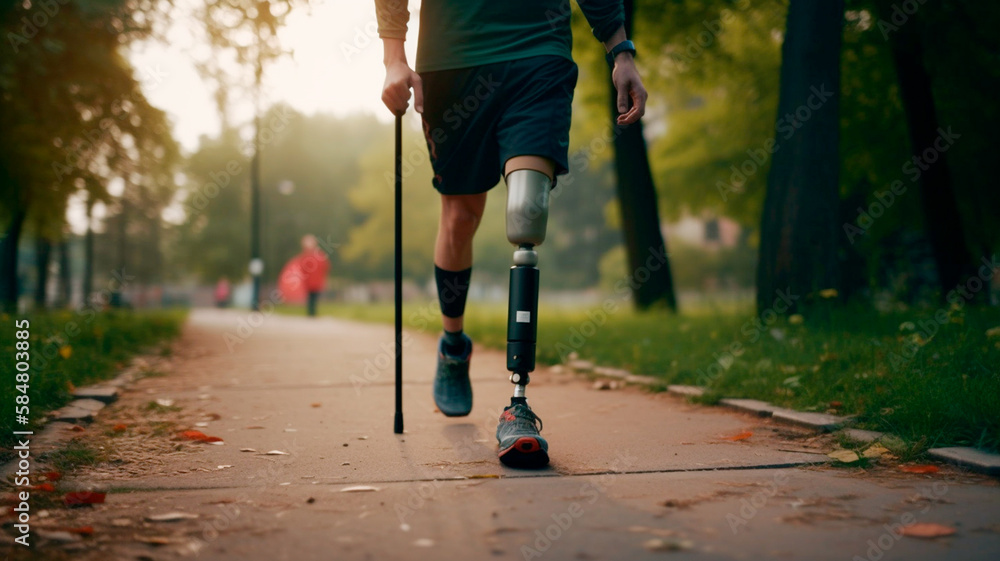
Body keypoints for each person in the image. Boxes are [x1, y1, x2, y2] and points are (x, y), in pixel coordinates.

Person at [376, 0, 647, 468]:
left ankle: (517, 403)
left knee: (526, 213)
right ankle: (454, 345)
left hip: (538, 52)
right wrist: (393, 57)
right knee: (460, 218)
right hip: (453, 59)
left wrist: (621, 50)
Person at [298, 234, 331, 317]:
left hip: (314, 281)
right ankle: (312, 313)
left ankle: (312, 313)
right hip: (310, 281)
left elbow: (324, 267)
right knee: (312, 298)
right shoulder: (310, 255)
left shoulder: (314, 255)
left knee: (313, 297)